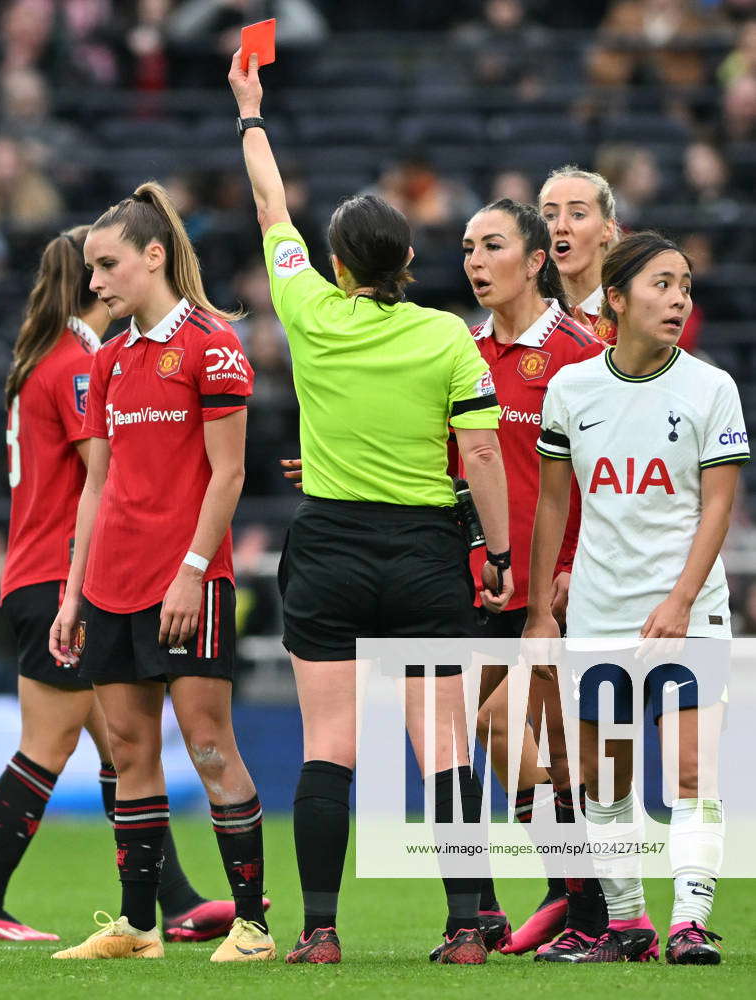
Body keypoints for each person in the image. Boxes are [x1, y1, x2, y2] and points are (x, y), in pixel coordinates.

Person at [229, 51, 513, 965]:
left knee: (329, 747)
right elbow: (479, 453)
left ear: (338, 263)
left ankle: (319, 930)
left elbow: (270, 207)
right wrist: (498, 554)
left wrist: (250, 112)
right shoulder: (447, 337)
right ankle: (465, 927)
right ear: (410, 261)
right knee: (443, 747)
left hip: (331, 546)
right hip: (426, 551)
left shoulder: (309, 310)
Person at [0, 225, 241, 944]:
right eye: (98, 267)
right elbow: (106, 473)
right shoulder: (83, 364)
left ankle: (174, 903)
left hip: (37, 569)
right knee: (52, 745)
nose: (106, 278)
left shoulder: (37, 360)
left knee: (122, 747)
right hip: (67, 573)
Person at [48, 183, 273, 963]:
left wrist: (191, 572)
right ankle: (138, 927)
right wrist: (72, 593)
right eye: (89, 268)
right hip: (109, 584)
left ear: (153, 256)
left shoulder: (213, 344)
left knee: (208, 746)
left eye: (106, 264)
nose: (94, 281)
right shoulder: (107, 360)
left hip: (187, 583)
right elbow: (96, 487)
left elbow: (228, 474)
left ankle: (252, 926)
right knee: (129, 750)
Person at [527, 231, 749, 964]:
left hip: (691, 613)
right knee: (605, 780)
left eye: (684, 286)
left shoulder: (711, 388)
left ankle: (690, 923)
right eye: (662, 284)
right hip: (599, 615)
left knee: (690, 770)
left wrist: (681, 600)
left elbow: (718, 506)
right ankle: (629, 926)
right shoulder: (571, 390)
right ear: (615, 299)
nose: (678, 299)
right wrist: (538, 612)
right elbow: (553, 506)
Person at [456, 198, 607, 959]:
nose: (475, 262)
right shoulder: (464, 352)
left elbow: (597, 478)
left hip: (551, 589)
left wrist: (573, 566)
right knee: (480, 736)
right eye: (467, 249)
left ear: (535, 259)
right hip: (480, 584)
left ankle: (583, 899)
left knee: (517, 731)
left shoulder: (579, 354)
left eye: (492, 246)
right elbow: (448, 464)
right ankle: (554, 896)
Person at [538, 165, 619, 339]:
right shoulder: (526, 315)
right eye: (550, 216)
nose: (560, 226)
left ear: (607, 229)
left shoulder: (634, 312)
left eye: (578, 214)